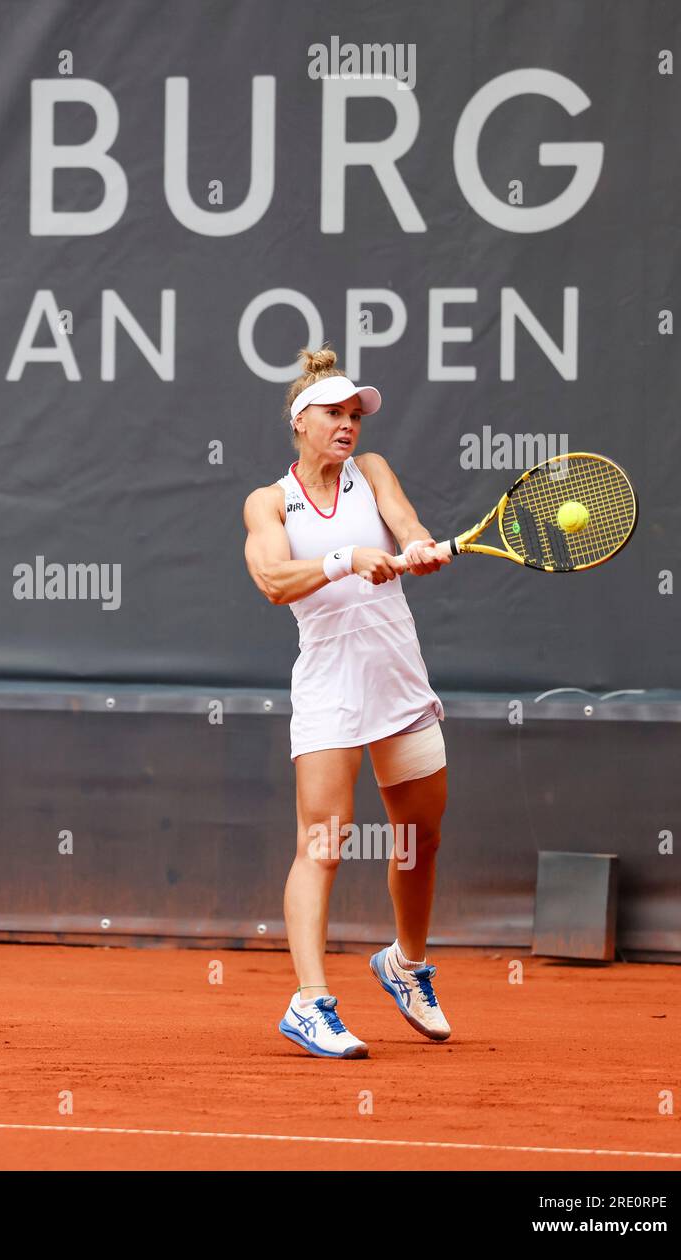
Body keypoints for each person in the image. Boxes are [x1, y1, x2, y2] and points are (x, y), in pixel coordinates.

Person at [242, 346, 453, 1059]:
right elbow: (273, 580)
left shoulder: (374, 473)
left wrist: (419, 546)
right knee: (323, 842)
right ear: (301, 421)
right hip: (330, 684)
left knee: (417, 839)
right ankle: (309, 1001)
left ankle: (406, 964)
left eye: (354, 414)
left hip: (397, 673)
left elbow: (406, 520)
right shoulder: (269, 501)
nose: (348, 424)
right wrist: (343, 560)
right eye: (334, 413)